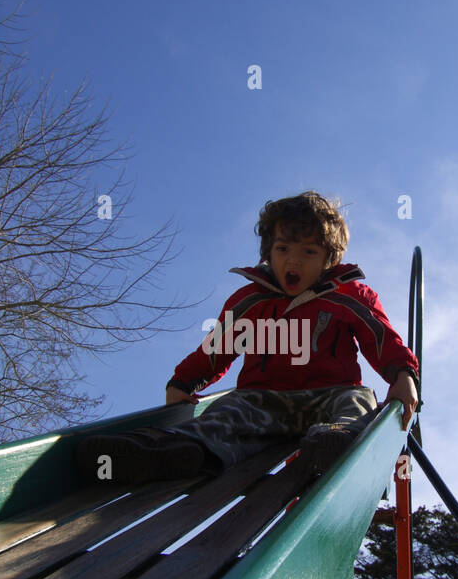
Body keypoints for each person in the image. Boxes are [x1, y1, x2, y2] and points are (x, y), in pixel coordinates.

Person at [75, 190, 419, 483]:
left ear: (329, 259)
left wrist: (403, 375)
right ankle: (171, 451)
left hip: (328, 397)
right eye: (283, 249)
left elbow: (382, 338)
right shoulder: (252, 300)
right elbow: (218, 347)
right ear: (268, 252)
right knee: (227, 412)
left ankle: (338, 447)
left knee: (358, 400)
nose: (293, 261)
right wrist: (183, 381)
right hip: (262, 399)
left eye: (309, 252)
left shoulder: (348, 295)